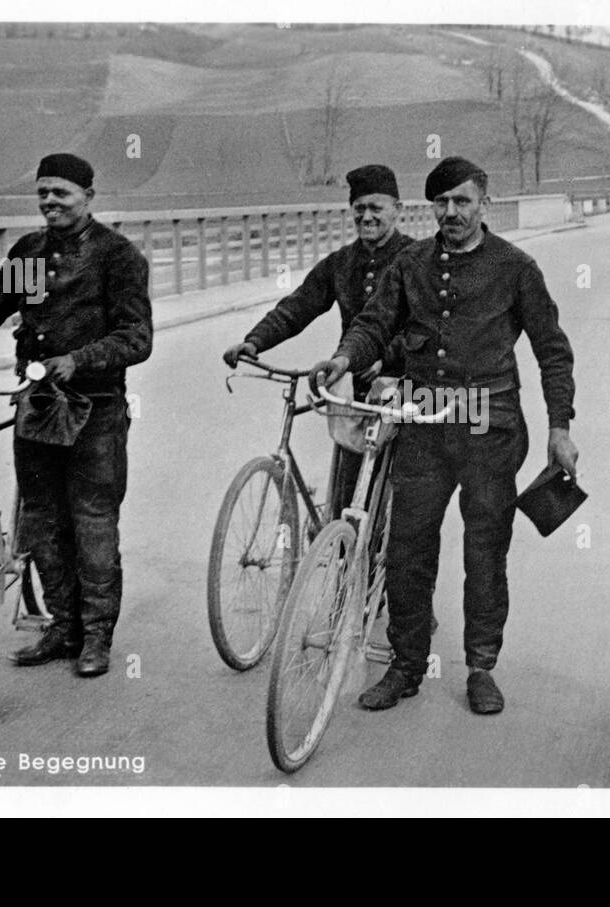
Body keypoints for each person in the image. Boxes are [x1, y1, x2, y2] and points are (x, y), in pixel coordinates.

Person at [312, 156, 579, 715]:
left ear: (485, 201)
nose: (451, 212)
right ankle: (406, 666)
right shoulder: (410, 263)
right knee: (408, 548)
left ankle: (482, 667)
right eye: (441, 203)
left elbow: (551, 349)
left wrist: (560, 427)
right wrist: (344, 358)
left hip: (490, 429)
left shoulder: (515, 266)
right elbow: (373, 323)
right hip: (423, 426)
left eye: (462, 200)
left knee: (485, 552)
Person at [0, 152, 152, 678]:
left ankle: (97, 636)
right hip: (39, 407)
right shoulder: (30, 252)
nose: (49, 202)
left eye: (61, 193)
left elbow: (137, 337)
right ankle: (62, 628)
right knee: (41, 518)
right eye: (42, 193)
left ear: (88, 196)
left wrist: (78, 359)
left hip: (97, 409)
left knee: (91, 522)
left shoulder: (118, 257)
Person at [222, 164, 413, 519]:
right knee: (346, 497)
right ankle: (341, 558)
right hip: (352, 385)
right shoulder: (341, 263)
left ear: (397, 209)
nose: (367, 217)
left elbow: (427, 326)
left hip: (405, 389)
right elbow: (297, 307)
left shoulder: (416, 259)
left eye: (376, 208)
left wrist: (386, 357)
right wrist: (255, 341)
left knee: (399, 499)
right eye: (359, 209)